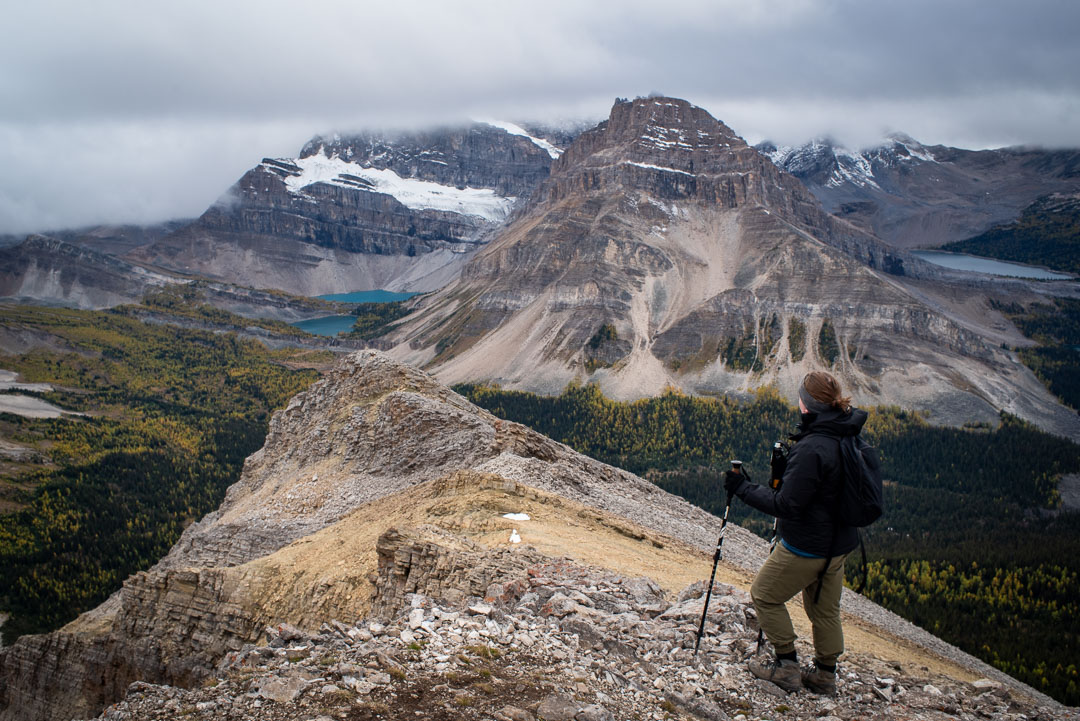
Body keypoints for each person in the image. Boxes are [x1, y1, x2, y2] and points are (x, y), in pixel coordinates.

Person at [723, 370, 866, 696]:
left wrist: (743, 487)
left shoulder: (812, 446)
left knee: (764, 594)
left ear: (807, 405)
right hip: (839, 545)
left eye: (800, 397)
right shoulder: (847, 434)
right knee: (824, 610)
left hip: (806, 545)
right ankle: (825, 675)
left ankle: (786, 666)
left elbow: (786, 504)